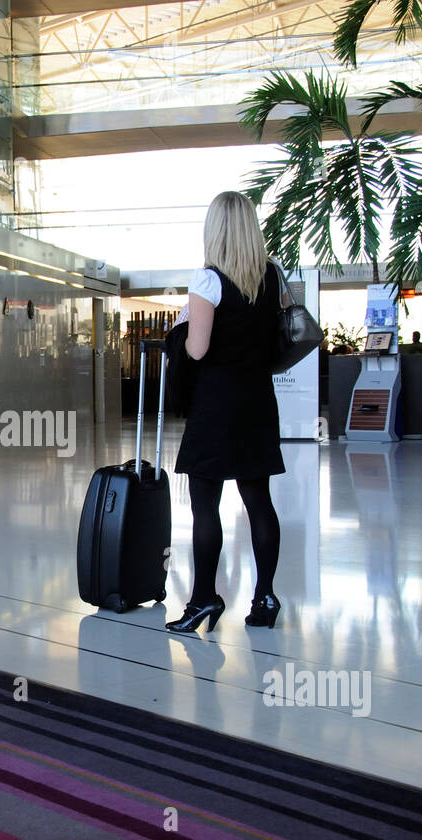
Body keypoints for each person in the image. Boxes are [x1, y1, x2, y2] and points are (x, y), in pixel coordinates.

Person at [166, 191, 284, 633]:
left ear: (214, 229)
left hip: (216, 406)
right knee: (259, 502)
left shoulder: (208, 280)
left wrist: (179, 326)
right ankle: (266, 597)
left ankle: (203, 600)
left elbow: (196, 350)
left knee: (206, 508)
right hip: (257, 401)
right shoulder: (271, 275)